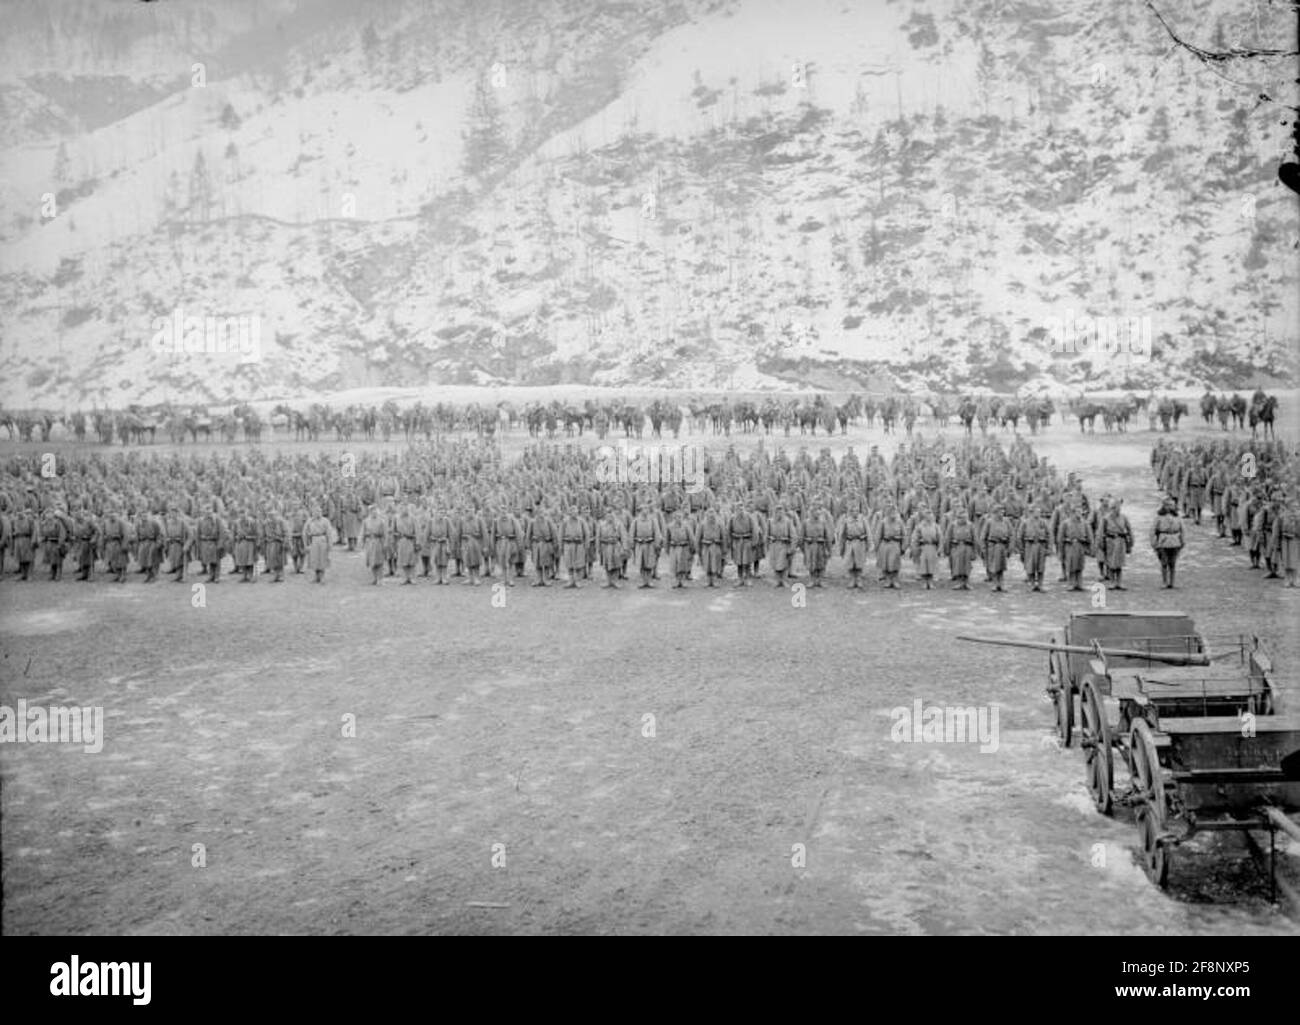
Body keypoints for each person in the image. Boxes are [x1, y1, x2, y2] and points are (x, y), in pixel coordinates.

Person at [1015, 502, 1051, 591]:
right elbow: (1020, 536)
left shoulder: (1044, 522)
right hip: (1029, 546)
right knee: (1030, 566)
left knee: (1040, 566)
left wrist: (1048, 548)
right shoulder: (1025, 523)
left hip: (1041, 546)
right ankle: (1032, 584)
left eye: (1039, 512)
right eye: (1036, 512)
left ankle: (1040, 584)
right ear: (1032, 512)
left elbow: (1049, 535)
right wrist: (1021, 549)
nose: (1038, 514)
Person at [1100, 499, 1134, 590]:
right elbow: (1101, 532)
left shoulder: (1124, 517)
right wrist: (1101, 544)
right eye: (1115, 508)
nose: (1118, 510)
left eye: (1119, 507)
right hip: (1110, 541)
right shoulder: (1106, 518)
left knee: (1119, 563)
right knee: (1111, 563)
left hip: (1121, 541)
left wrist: (1130, 543)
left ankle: (1119, 582)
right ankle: (1112, 582)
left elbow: (1129, 530)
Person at [1151, 498, 1184, 589]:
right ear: (1164, 506)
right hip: (1163, 541)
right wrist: (1154, 543)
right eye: (1168, 505)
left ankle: (1172, 582)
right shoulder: (1159, 518)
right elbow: (1153, 530)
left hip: (1175, 541)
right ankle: (1164, 581)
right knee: (1164, 563)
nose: (1170, 507)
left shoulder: (1177, 517)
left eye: (1172, 505)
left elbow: (1182, 530)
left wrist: (1182, 541)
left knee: (1173, 563)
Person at [979, 505, 1012, 592]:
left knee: (1002, 566)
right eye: (1000, 512)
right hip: (993, 546)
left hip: (1003, 546)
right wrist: (983, 549)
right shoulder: (989, 522)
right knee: (994, 566)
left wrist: (1010, 547)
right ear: (995, 513)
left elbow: (1011, 534)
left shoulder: (1006, 521)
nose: (1002, 513)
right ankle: (995, 584)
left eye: (1003, 512)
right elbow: (983, 536)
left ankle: (1001, 584)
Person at [909, 507, 941, 590]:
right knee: (924, 566)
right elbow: (915, 538)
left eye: (931, 515)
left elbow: (940, 537)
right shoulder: (920, 526)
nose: (929, 517)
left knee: (931, 565)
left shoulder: (936, 526)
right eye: (928, 515)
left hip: (932, 547)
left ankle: (930, 582)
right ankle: (924, 582)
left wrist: (940, 548)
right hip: (923, 548)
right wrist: (915, 548)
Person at [303, 505, 333, 583]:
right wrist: (306, 544)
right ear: (312, 513)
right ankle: (316, 576)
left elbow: (329, 533)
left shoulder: (325, 521)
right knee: (314, 559)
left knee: (322, 558)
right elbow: (305, 533)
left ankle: (322, 576)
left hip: (322, 539)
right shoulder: (309, 521)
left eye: (319, 511)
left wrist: (329, 544)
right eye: (315, 511)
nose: (317, 513)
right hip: (313, 539)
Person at [697, 507, 726, 587]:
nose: (711, 515)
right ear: (706, 515)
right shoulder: (702, 524)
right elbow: (698, 537)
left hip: (716, 546)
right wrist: (698, 549)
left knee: (715, 563)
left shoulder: (720, 523)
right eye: (709, 513)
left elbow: (723, 537)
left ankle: (715, 580)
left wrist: (724, 548)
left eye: (713, 513)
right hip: (706, 546)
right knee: (707, 564)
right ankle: (708, 581)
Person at [362, 505, 388, 585]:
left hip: (378, 542)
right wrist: (362, 543)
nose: (374, 512)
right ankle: (375, 578)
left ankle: (380, 579)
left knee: (379, 561)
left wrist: (385, 543)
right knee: (371, 560)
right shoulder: (366, 521)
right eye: (372, 511)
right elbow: (363, 533)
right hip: (369, 542)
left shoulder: (381, 521)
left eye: (375, 511)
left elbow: (385, 534)